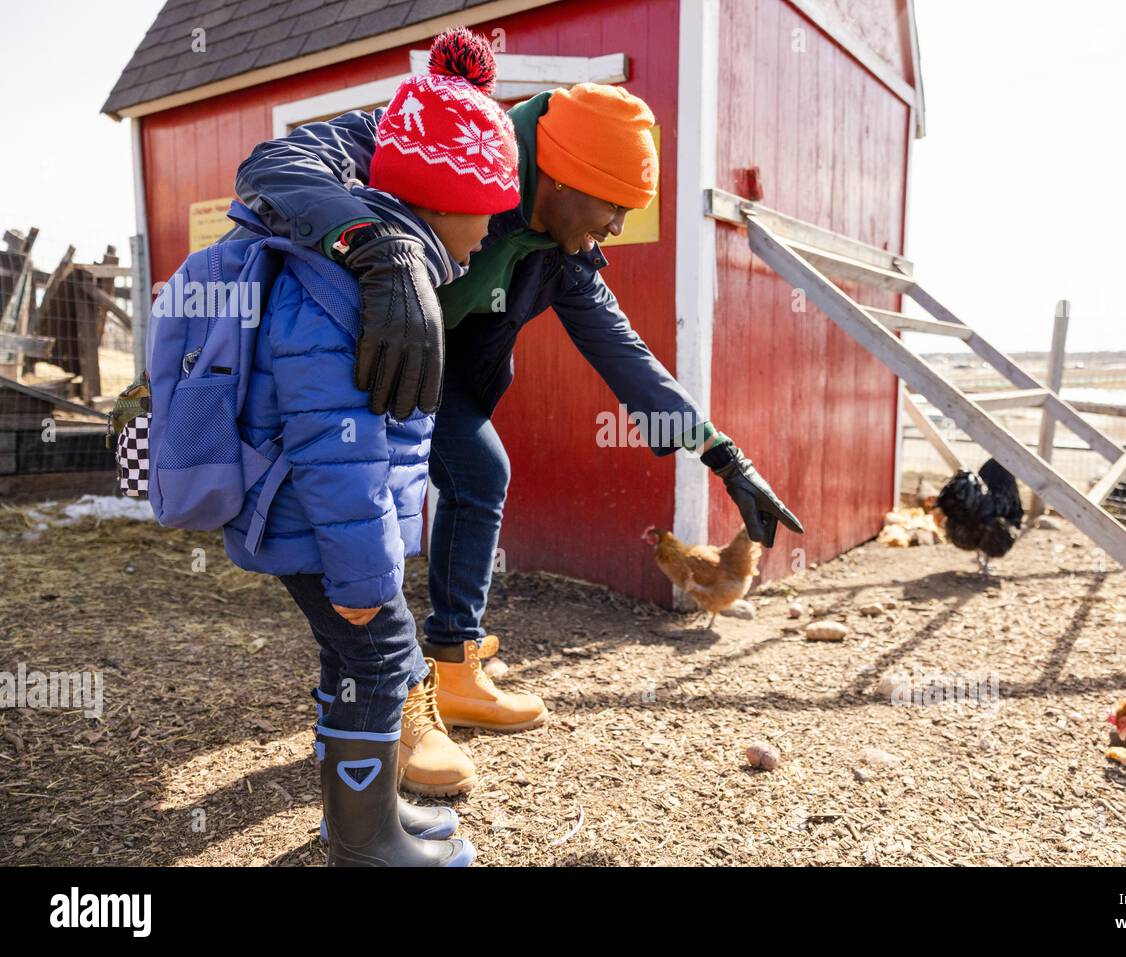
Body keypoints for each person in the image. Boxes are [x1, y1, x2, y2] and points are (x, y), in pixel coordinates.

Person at [234, 55, 803, 798]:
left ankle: (453, 662)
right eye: (613, 208)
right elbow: (274, 164)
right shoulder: (449, 141)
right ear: (561, 182)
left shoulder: (563, 254)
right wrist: (375, 247)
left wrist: (723, 456)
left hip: (430, 380)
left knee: (478, 473)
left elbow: (624, 354)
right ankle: (389, 696)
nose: (618, 228)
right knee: (352, 523)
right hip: (335, 365)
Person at [222, 29, 520, 865]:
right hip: (326, 534)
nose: (491, 231)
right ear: (439, 195)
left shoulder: (396, 267)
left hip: (328, 529)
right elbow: (337, 444)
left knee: (359, 657)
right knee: (382, 663)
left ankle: (366, 814)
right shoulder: (356, 286)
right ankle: (365, 843)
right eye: (485, 210)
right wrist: (363, 574)